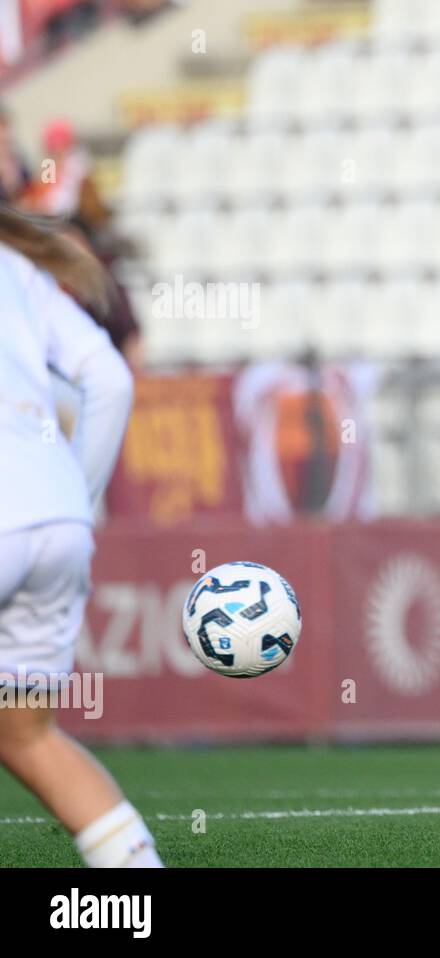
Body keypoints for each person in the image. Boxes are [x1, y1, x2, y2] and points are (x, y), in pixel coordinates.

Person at [0, 204, 159, 866]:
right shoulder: (17, 266)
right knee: (27, 736)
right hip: (55, 516)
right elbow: (112, 382)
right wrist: (75, 500)